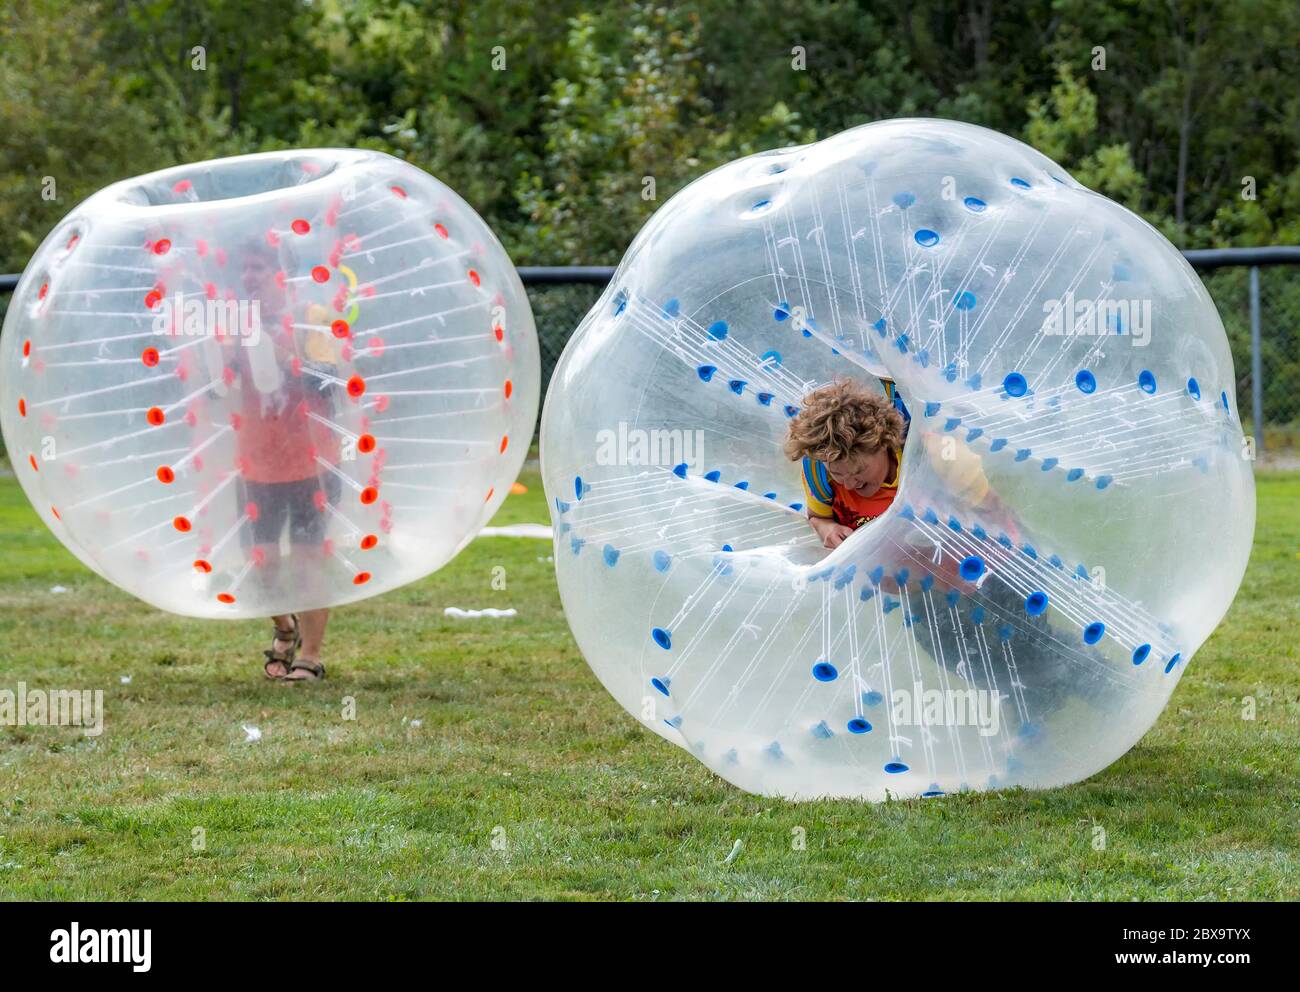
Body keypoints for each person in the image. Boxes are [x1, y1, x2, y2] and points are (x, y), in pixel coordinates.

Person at [231, 240, 342, 683]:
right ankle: (283, 626)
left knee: (308, 560)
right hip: (257, 461)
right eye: (245, 269)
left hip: (311, 460)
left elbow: (331, 384)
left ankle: (310, 656)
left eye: (258, 268)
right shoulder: (235, 325)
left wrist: (287, 359)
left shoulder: (312, 320)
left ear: (282, 275)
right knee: (258, 561)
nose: (249, 277)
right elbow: (219, 387)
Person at [783, 377, 908, 549]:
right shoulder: (819, 473)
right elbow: (817, 517)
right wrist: (827, 528)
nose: (849, 485)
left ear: (884, 444)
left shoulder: (915, 461)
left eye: (858, 471)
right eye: (838, 474)